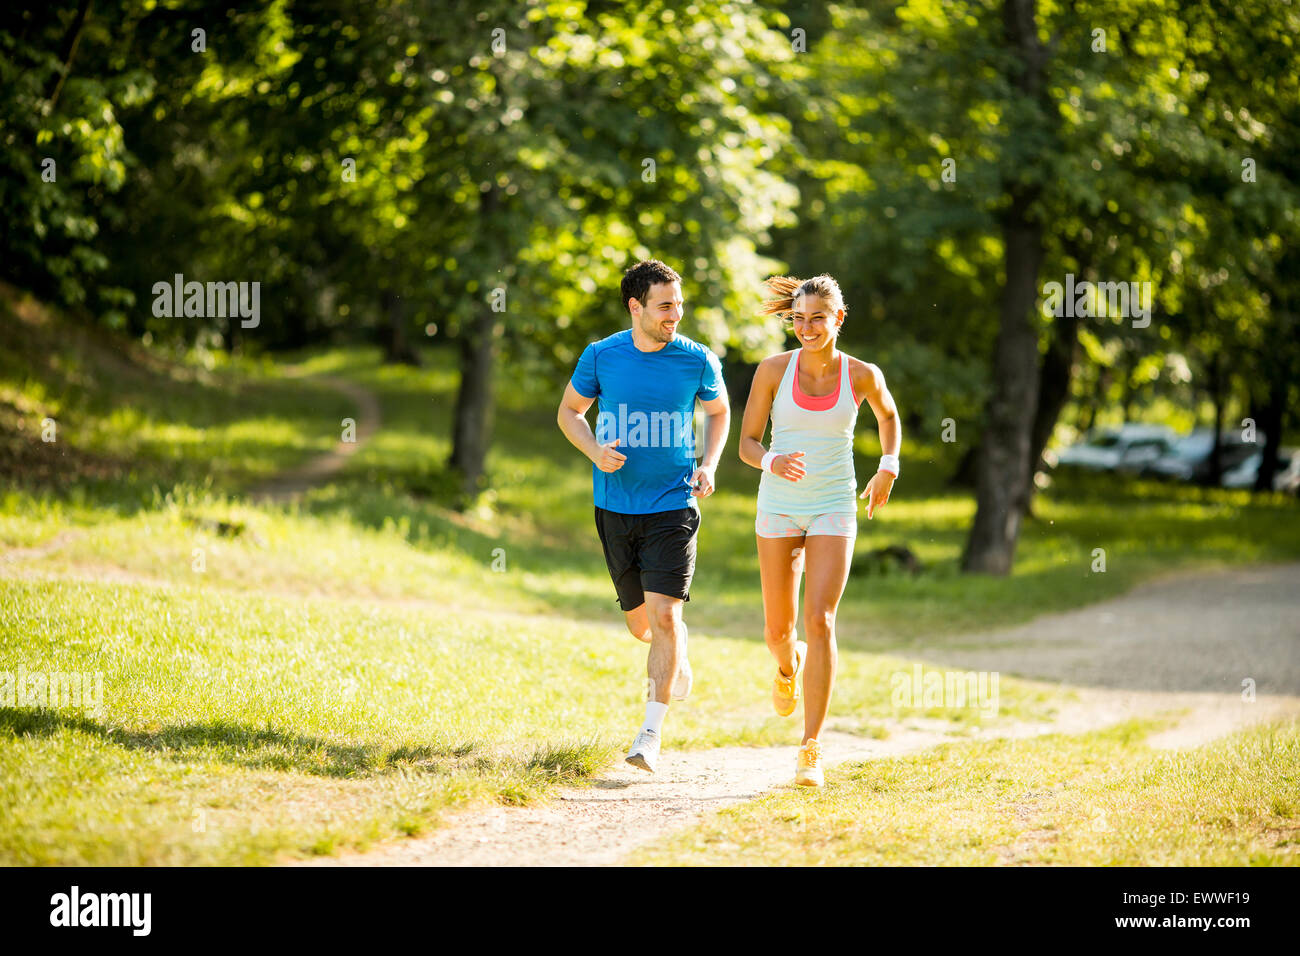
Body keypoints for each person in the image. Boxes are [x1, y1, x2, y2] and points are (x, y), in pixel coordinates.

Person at [557, 259, 730, 772]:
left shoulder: (697, 359)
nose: (675, 315)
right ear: (636, 307)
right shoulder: (601, 356)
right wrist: (593, 451)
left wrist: (709, 463)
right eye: (665, 306)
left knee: (665, 615)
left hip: (673, 503)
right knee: (642, 626)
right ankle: (677, 649)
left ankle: (649, 736)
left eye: (679, 305)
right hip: (614, 506)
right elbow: (569, 412)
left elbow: (718, 413)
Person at [738, 274, 900, 786]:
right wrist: (772, 460)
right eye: (798, 318)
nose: (806, 328)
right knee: (778, 632)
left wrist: (888, 466)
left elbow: (889, 416)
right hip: (780, 509)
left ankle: (810, 749)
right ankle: (787, 668)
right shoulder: (771, 371)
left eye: (817, 318)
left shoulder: (862, 374)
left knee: (821, 619)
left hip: (834, 506)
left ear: (839, 318)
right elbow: (745, 443)